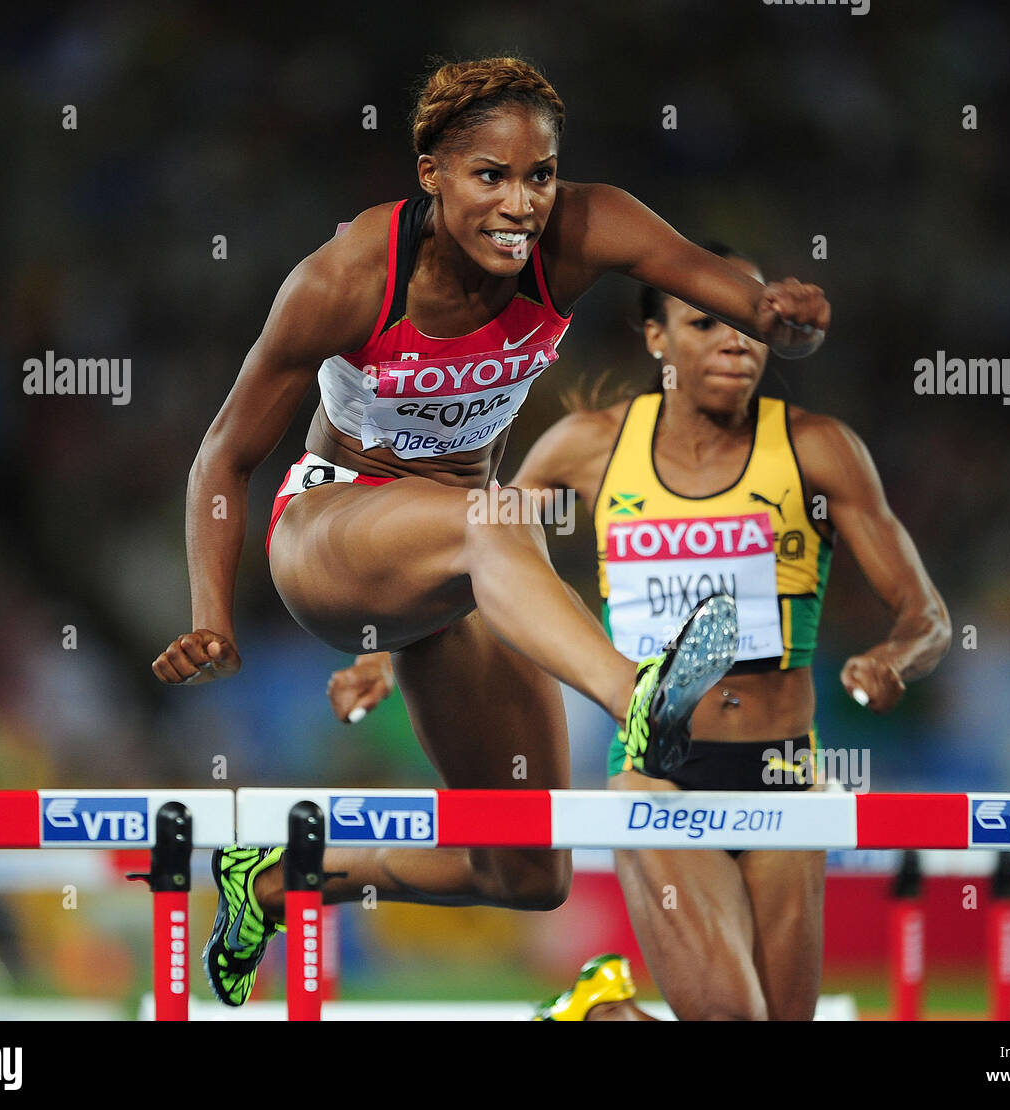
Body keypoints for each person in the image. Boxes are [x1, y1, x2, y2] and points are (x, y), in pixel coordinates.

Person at [151, 57, 830, 1007]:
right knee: (497, 516)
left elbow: (742, 304)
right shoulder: (346, 278)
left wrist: (785, 323)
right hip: (331, 531)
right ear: (430, 171)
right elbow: (221, 458)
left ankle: (270, 878)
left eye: (540, 176)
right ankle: (636, 700)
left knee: (528, 872)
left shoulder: (591, 228)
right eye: (491, 177)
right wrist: (212, 617)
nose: (521, 205)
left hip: (461, 567)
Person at [331, 246, 949, 1020]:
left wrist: (896, 657)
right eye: (706, 323)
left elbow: (925, 615)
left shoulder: (818, 448)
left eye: (750, 327)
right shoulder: (589, 448)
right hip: (659, 779)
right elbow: (467, 558)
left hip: (787, 774)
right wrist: (380, 651)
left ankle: (603, 1014)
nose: (735, 343)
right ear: (656, 339)